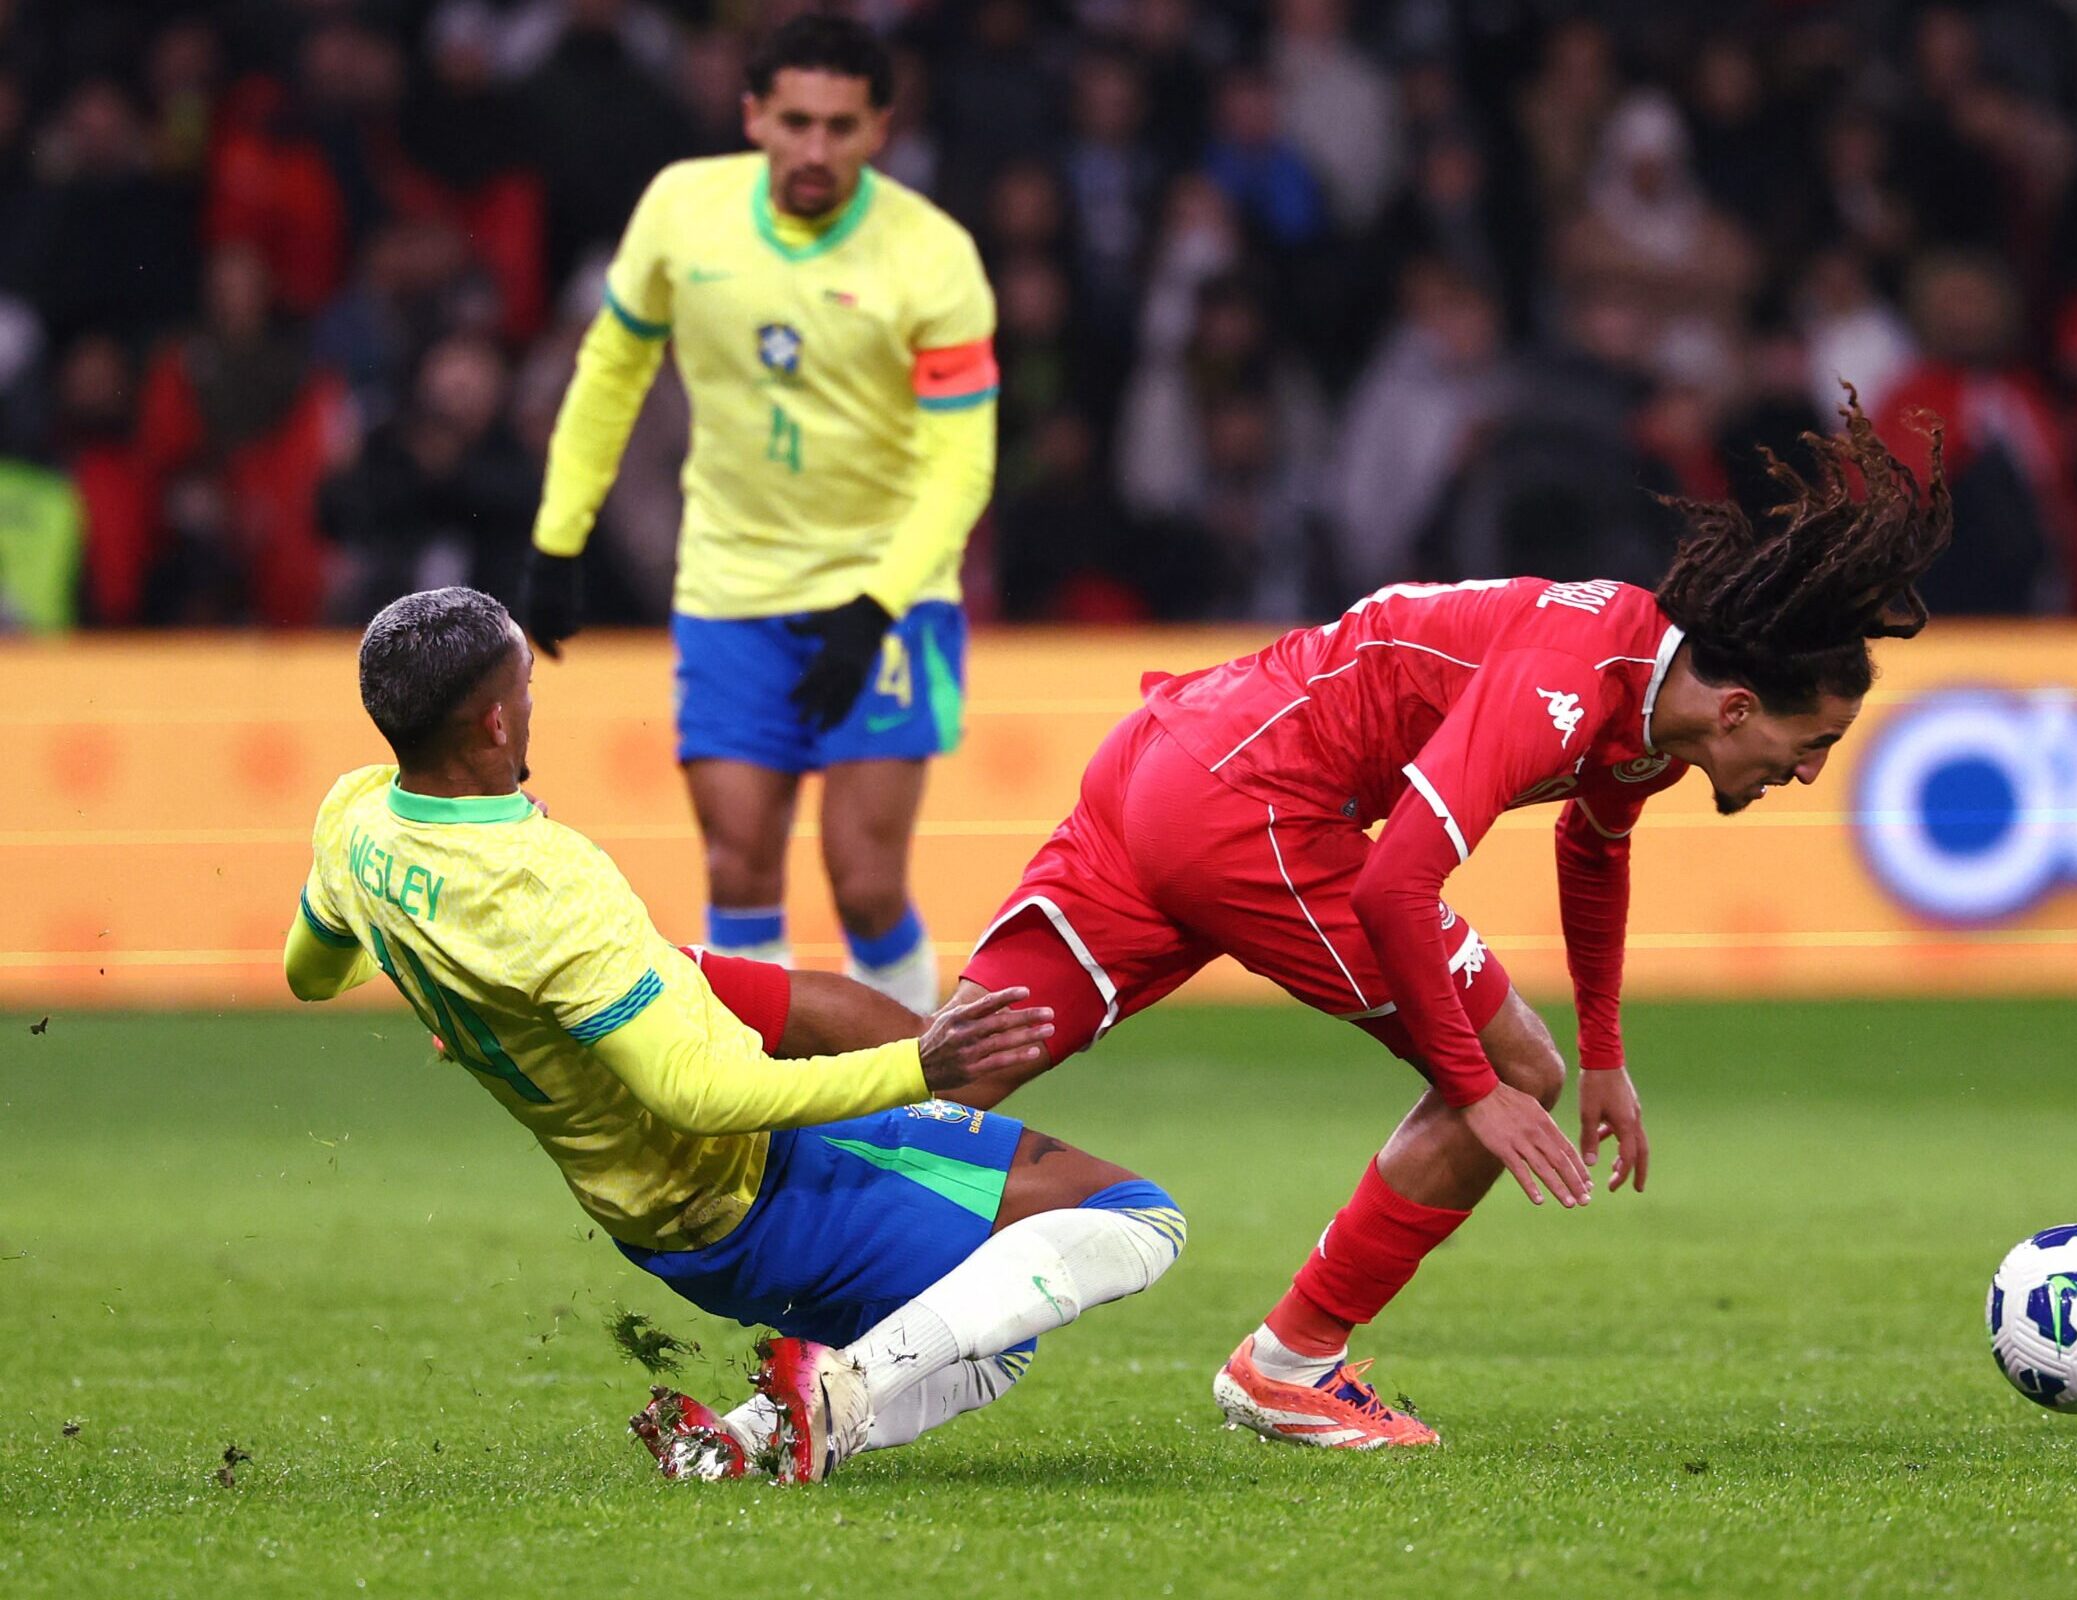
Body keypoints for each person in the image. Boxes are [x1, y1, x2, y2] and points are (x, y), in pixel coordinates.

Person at [940, 393, 1948, 1447]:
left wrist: (1603, 1050)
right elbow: (1393, 887)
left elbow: (1593, 846)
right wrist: (1480, 1091)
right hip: (1251, 806)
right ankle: (1291, 1364)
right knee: (1516, 1068)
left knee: (955, 1063)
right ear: (1740, 707)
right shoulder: (1570, 682)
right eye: (1813, 740)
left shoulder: (1652, 695)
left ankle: (791, 1267)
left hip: (1169, 752)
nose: (1808, 770)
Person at [284, 587, 1181, 1484]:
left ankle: (738, 1444)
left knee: (988, 1330)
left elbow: (311, 971)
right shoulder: (544, 886)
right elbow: (698, 1096)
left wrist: (462, 984)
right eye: (525, 688)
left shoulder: (354, 822)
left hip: (653, 1211)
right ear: (492, 723)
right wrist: (917, 1066)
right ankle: (845, 1387)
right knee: (1136, 1218)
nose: (531, 705)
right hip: (746, 1183)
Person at [517, 14, 996, 1013]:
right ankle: (768, 1123)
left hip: (887, 595)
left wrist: (873, 604)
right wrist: (558, 537)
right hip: (731, 588)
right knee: (738, 868)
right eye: (794, 122)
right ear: (752, 117)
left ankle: (910, 1100)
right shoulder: (682, 215)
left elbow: (961, 465)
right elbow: (611, 370)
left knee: (863, 880)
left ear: (879, 130)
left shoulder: (933, 256)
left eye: (839, 126)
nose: (814, 150)